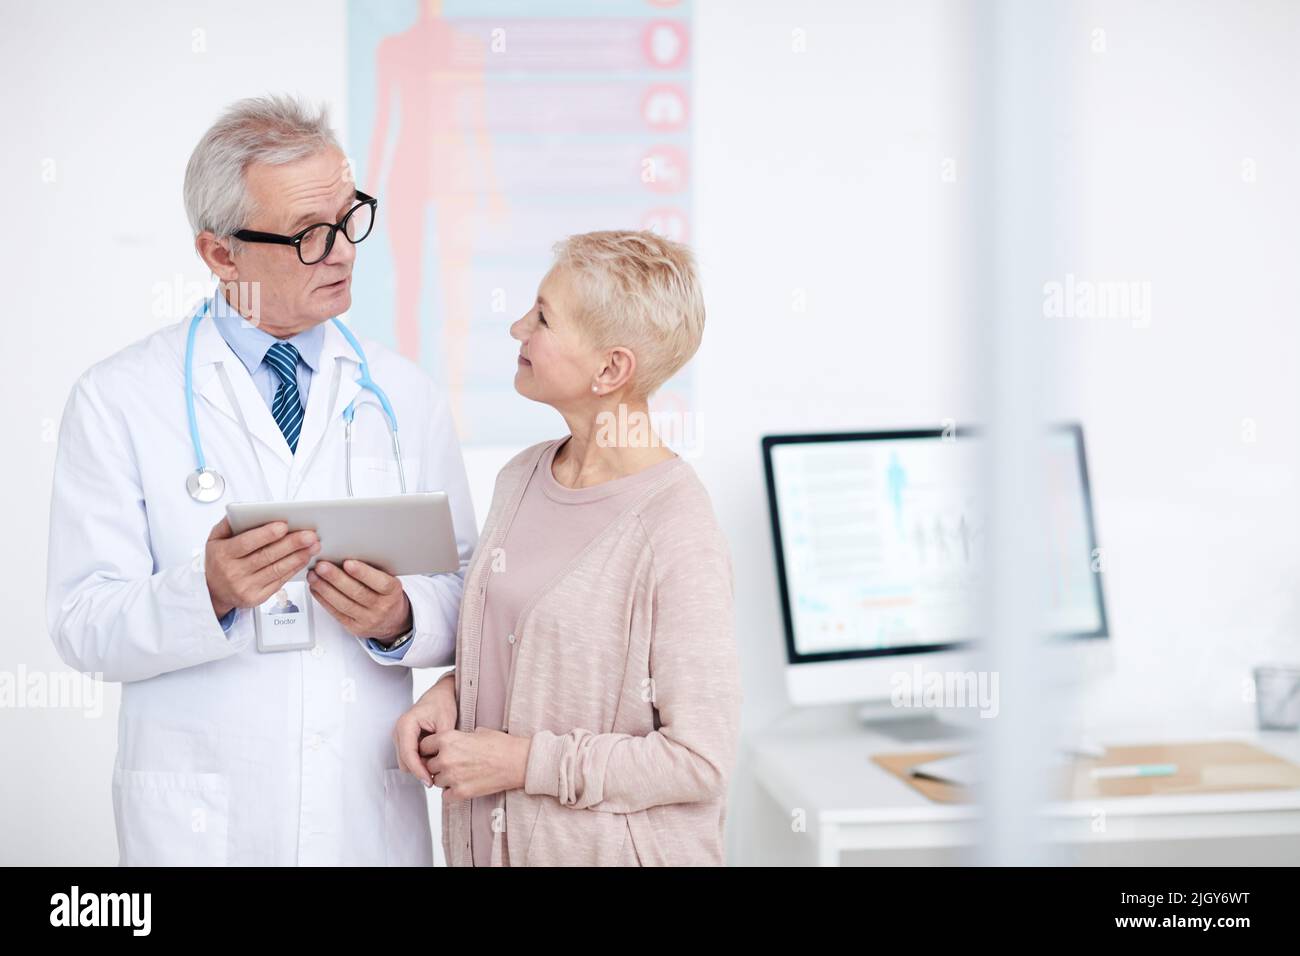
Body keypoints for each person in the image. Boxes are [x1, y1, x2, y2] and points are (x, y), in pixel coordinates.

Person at [45, 95, 476, 866]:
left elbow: (468, 590)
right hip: (201, 821)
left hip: (361, 819)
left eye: (350, 220)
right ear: (220, 255)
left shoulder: (404, 393)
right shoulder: (117, 398)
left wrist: (400, 617)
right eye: (311, 235)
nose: (342, 251)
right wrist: (203, 593)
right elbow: (82, 623)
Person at [394, 230, 741, 865]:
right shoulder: (521, 477)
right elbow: (525, 648)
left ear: (611, 369)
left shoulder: (677, 529)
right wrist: (451, 694)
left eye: (544, 318)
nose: (518, 327)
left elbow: (699, 760)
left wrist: (524, 763)